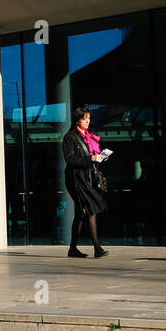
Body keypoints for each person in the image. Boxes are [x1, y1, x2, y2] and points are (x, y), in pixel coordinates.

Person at [62, 106, 108, 258]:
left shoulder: (88, 136)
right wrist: (91, 158)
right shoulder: (70, 137)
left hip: (87, 178)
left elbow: (89, 158)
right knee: (91, 209)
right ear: (77, 121)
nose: (88, 121)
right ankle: (97, 248)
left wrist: (98, 157)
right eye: (85, 119)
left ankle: (73, 249)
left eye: (89, 119)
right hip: (76, 180)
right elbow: (70, 160)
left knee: (81, 213)